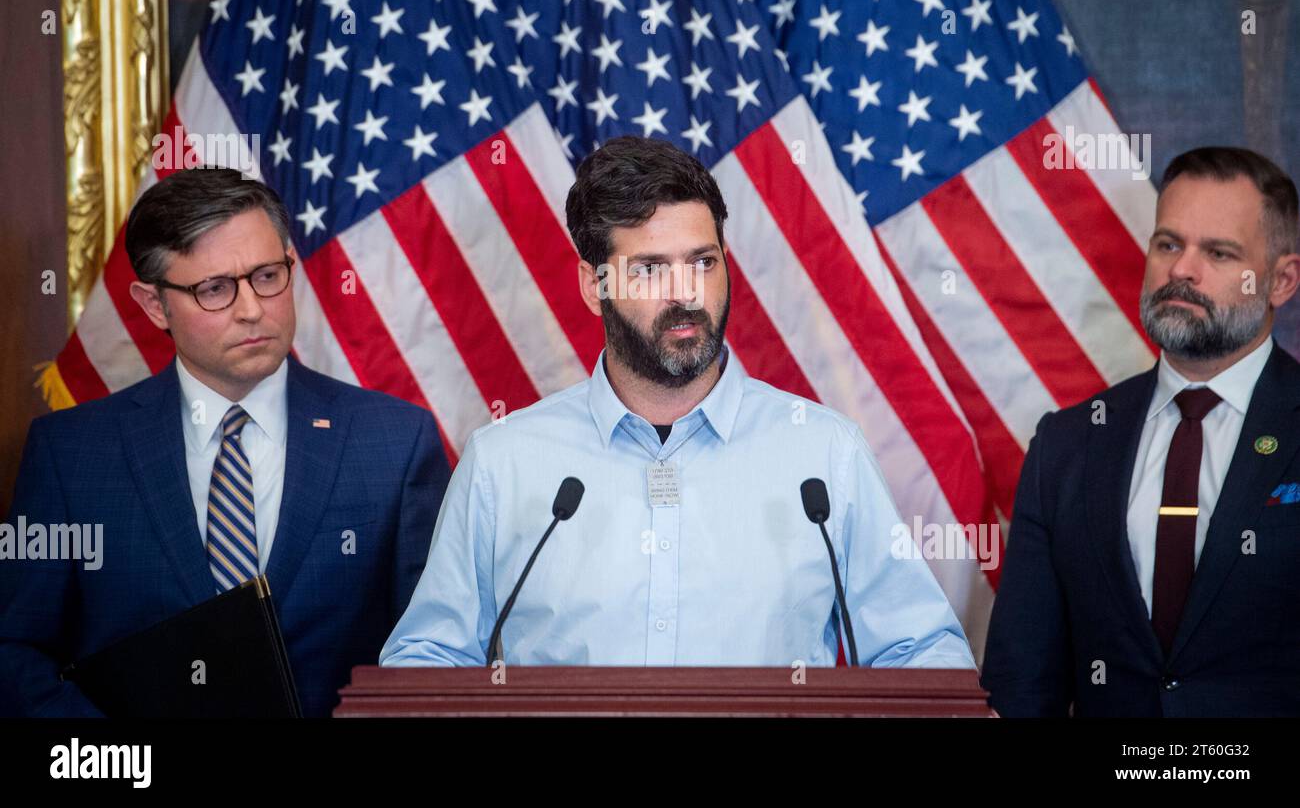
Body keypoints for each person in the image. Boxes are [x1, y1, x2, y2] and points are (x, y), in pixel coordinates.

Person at [381, 136, 974, 668]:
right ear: (596, 286)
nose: (686, 292)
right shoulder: (501, 464)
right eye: (649, 269)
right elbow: (429, 656)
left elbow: (919, 647)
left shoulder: (825, 454)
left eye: (702, 262)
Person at [0, 168, 450, 717]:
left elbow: (435, 652)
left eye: (267, 276)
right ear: (154, 305)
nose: (252, 308)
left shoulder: (395, 442)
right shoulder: (71, 454)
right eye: (214, 289)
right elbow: (17, 650)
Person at [982, 146, 1300, 716]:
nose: (1181, 269)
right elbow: (1023, 682)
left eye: (1219, 253)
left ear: (1280, 281)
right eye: (1169, 244)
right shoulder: (1066, 446)